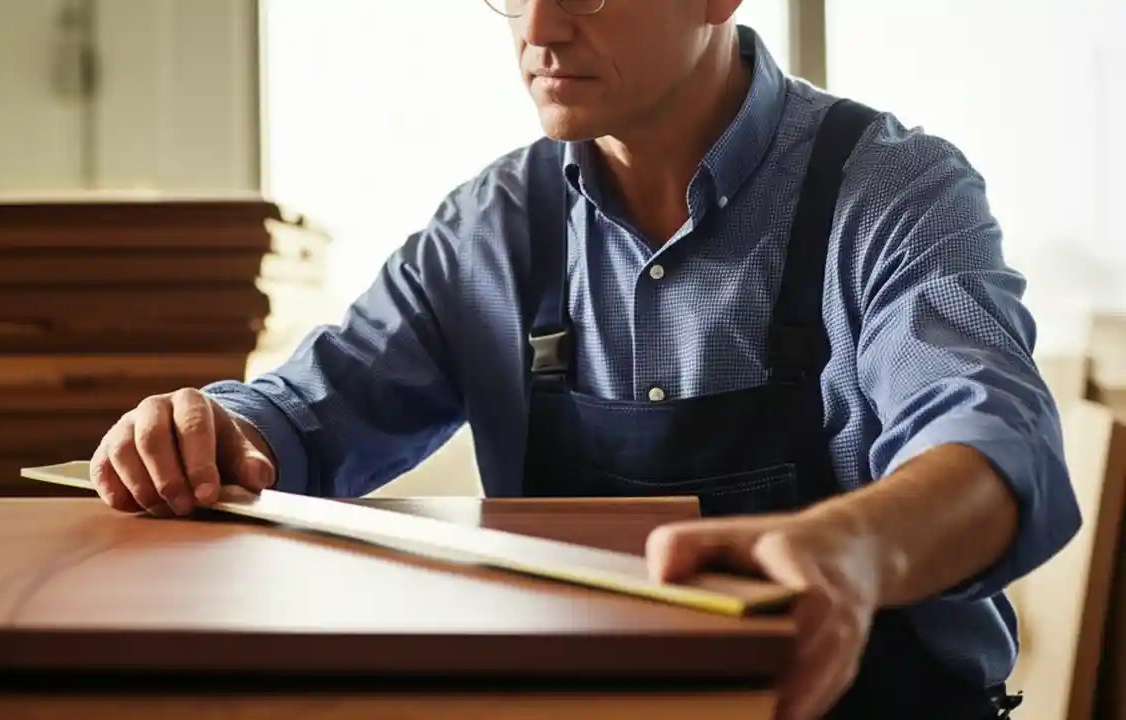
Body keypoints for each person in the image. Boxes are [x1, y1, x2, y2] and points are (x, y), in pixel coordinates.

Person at [88, 1, 1080, 718]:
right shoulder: (492, 228)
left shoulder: (892, 193)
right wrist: (214, 429)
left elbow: (995, 446)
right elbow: (306, 417)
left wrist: (850, 552)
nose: (539, 29)